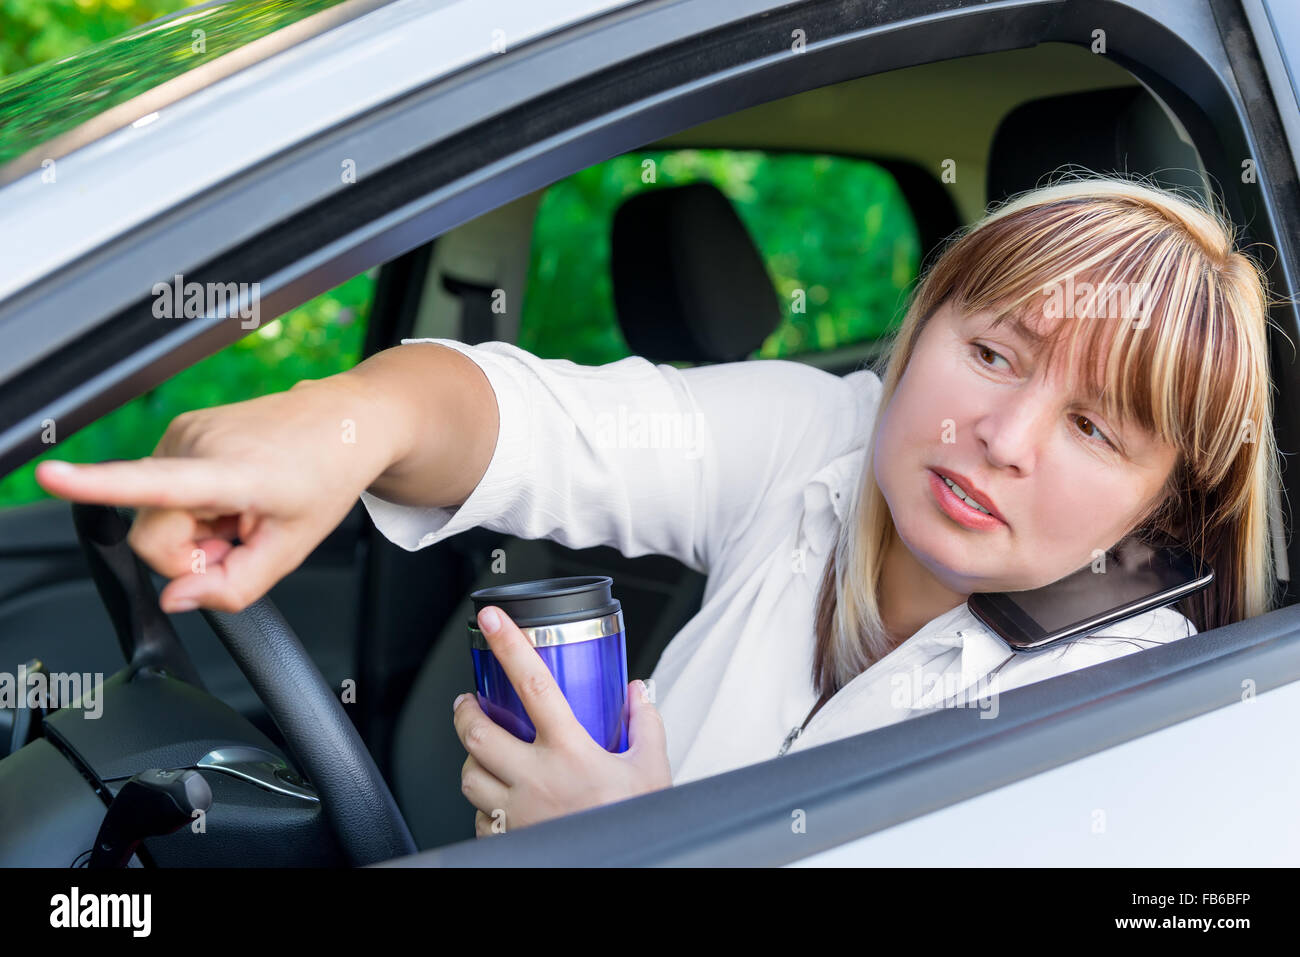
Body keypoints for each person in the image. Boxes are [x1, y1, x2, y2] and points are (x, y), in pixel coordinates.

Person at [35, 172, 1283, 838]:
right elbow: (526, 420)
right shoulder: (823, 437)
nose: (1000, 438)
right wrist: (334, 430)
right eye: (995, 353)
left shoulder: (1128, 717)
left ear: (1160, 504)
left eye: (1091, 427)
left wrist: (633, 849)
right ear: (917, 329)